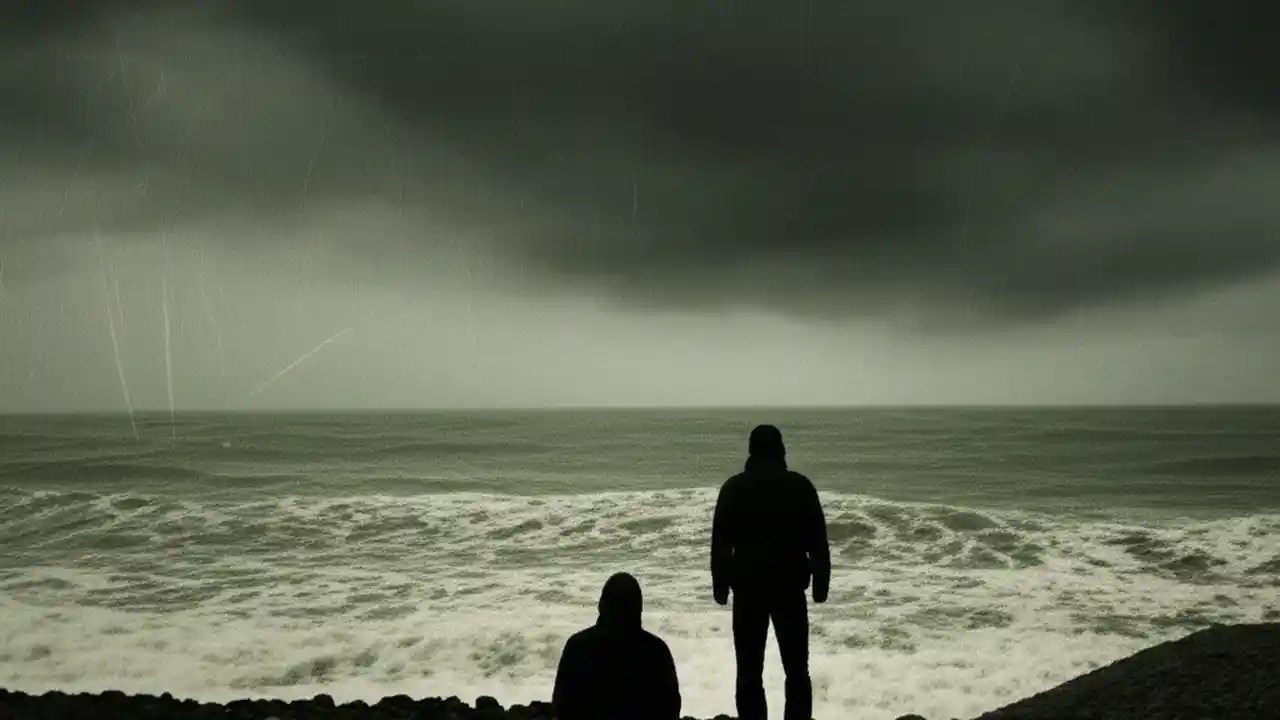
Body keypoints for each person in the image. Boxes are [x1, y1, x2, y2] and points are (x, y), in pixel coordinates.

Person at [711, 424, 830, 720]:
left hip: (748, 589)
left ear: (751, 451)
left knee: (749, 672)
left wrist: (720, 586)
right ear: (781, 451)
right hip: (789, 588)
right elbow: (817, 540)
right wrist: (820, 584)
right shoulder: (800, 486)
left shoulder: (734, 488)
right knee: (797, 671)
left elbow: (721, 543)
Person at [552, 572, 682, 720]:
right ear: (638, 608)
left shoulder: (577, 646)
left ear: (601, 605)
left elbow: (562, 707)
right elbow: (671, 709)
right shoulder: (656, 651)